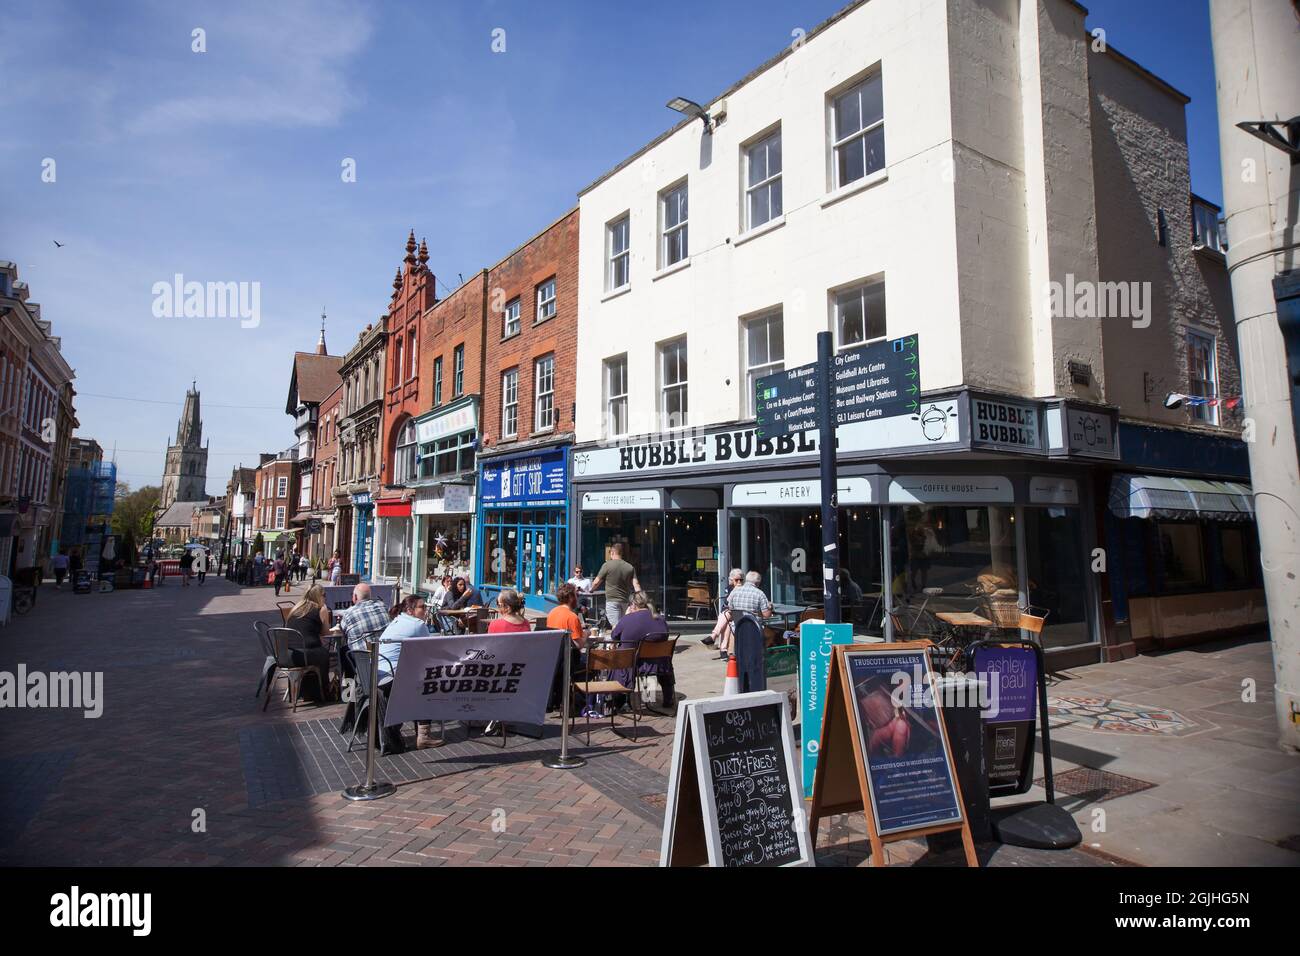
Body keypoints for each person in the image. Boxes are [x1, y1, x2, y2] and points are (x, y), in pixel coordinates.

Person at [377, 595, 433, 750]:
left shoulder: (397, 620)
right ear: (410, 610)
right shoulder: (418, 625)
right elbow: (430, 652)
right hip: (391, 677)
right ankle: (424, 736)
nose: (425, 610)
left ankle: (422, 734)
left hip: (377, 675)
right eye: (422, 607)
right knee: (429, 684)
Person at [611, 590, 674, 709]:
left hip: (633, 664)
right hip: (659, 664)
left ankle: (619, 700)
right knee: (653, 658)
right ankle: (663, 698)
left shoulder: (628, 619)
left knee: (618, 657)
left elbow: (614, 636)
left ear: (633, 604)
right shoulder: (660, 619)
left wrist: (626, 615)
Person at [284, 585, 333, 702]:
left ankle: (306, 691)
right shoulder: (320, 609)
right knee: (324, 654)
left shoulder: (296, 608)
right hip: (304, 655)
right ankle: (324, 691)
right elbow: (326, 632)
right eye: (324, 595)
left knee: (319, 652)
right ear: (318, 596)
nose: (325, 598)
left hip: (288, 655)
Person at [590, 542, 640, 628]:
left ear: (612, 552)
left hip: (612, 600)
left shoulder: (607, 565)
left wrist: (591, 589)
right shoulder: (630, 567)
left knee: (616, 627)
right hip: (625, 601)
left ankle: (616, 641)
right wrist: (640, 600)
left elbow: (596, 582)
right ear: (621, 553)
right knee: (625, 626)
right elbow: (636, 584)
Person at [726, 571, 773, 659]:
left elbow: (730, 609)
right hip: (753, 628)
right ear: (758, 583)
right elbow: (766, 615)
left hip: (737, 627)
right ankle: (761, 654)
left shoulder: (734, 591)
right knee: (771, 634)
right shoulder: (760, 593)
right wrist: (770, 607)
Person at [704, 568, 744, 655]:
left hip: (739, 612)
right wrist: (735, 589)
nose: (739, 582)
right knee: (726, 624)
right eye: (737, 580)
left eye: (741, 580)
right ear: (732, 580)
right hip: (729, 611)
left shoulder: (744, 589)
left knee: (725, 616)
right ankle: (723, 650)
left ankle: (714, 636)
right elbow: (728, 602)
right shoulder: (729, 588)